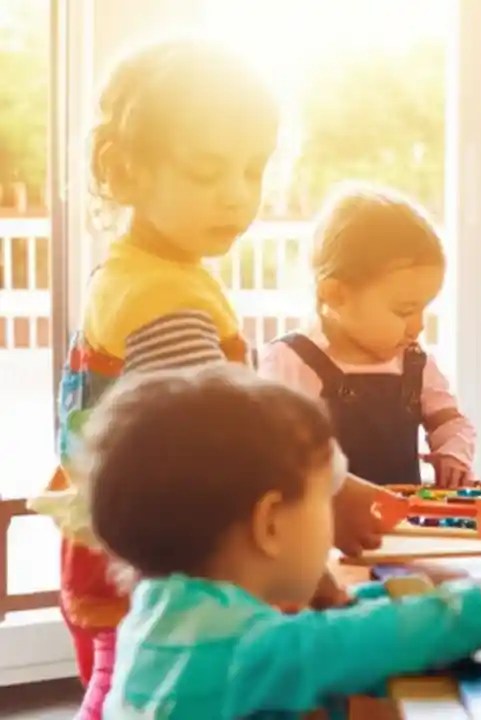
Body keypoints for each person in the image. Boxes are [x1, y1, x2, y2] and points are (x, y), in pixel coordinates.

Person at [24, 39, 387, 718]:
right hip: (145, 562)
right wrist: (329, 490)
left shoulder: (139, 272)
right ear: (124, 170)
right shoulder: (167, 301)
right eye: (207, 172)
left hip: (107, 547)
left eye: (251, 172)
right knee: (138, 691)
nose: (235, 196)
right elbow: (231, 437)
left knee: (124, 680)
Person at [86, 366, 481, 717]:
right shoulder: (239, 650)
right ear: (270, 526)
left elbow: (324, 632)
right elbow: (352, 643)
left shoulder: (163, 619)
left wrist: (374, 597)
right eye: (326, 497)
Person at [259, 184, 475, 488]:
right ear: (336, 295)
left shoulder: (414, 363)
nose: (418, 326)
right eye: (403, 311)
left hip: (402, 523)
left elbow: (450, 421)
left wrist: (453, 453)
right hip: (324, 525)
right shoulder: (293, 362)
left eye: (424, 309)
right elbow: (277, 452)